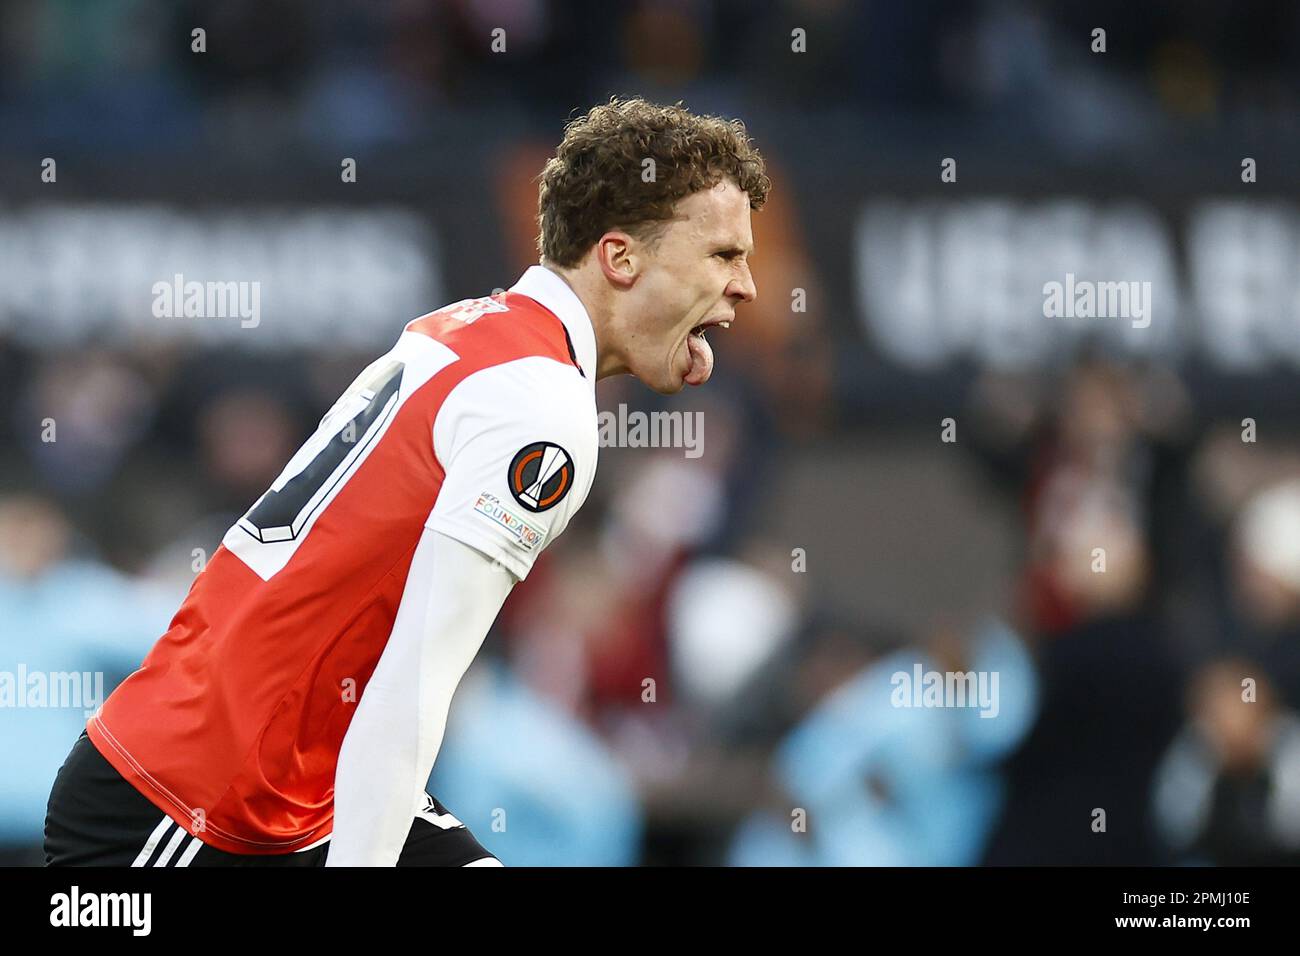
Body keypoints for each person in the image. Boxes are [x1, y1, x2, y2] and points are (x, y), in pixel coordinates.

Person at [44, 96, 768, 867]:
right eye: (724, 255)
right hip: (191, 805)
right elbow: (410, 689)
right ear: (620, 259)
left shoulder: (468, 329)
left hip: (292, 784)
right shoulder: (544, 413)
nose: (748, 285)